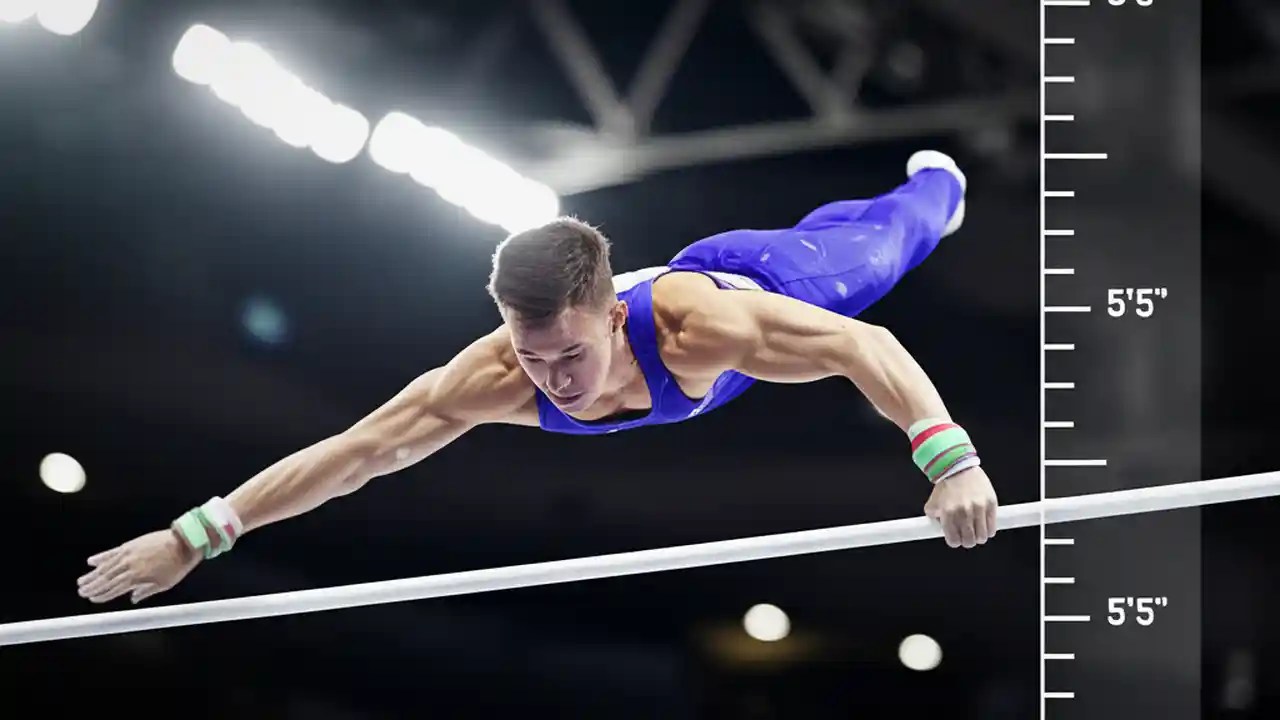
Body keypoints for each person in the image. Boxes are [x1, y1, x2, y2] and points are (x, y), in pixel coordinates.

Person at [76, 150, 999, 606]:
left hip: (760, 276)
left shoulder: (700, 328)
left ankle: (939, 188)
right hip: (705, 320)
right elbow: (358, 454)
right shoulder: (493, 376)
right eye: (530, 354)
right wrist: (199, 535)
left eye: (569, 354)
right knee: (411, 425)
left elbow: (866, 350)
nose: (551, 380)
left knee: (885, 242)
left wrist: (948, 461)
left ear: (609, 315)